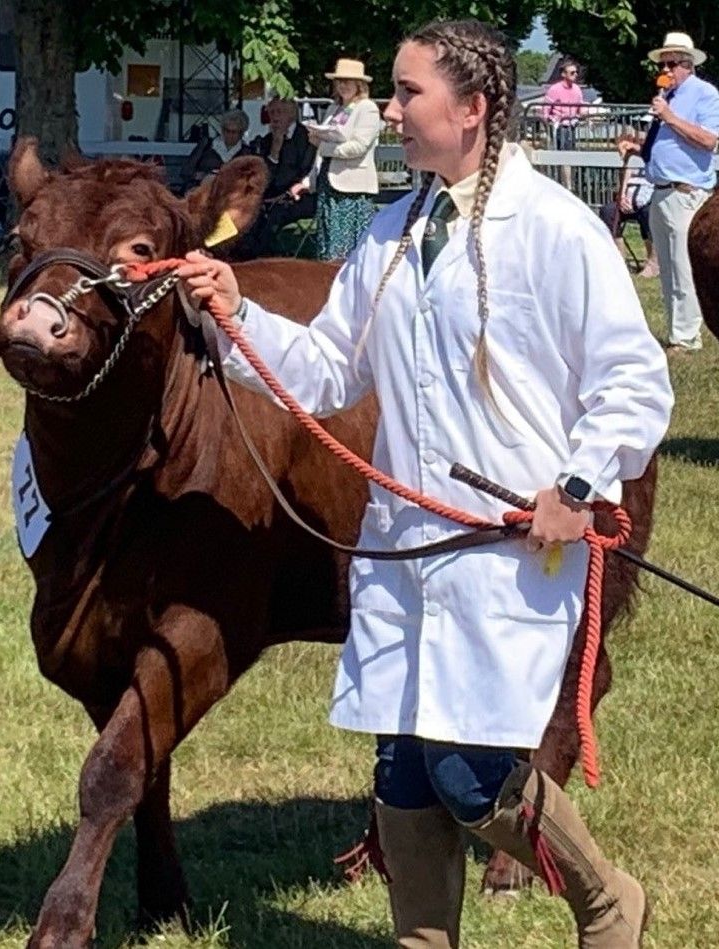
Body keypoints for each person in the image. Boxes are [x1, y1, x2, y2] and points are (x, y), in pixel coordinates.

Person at [176, 18, 672, 949]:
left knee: (471, 775)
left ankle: (607, 901)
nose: (392, 111)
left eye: (409, 94)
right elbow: (326, 370)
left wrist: (576, 482)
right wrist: (237, 312)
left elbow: (633, 382)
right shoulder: (393, 232)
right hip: (403, 547)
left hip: (507, 549)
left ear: (474, 107)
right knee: (403, 766)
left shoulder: (557, 231)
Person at [642, 30, 719, 354]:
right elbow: (665, 143)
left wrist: (670, 117)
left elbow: (708, 140)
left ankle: (687, 337)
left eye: (671, 64)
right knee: (668, 270)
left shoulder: (705, 94)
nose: (665, 72)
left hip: (686, 191)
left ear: (687, 65)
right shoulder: (669, 99)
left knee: (683, 268)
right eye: (662, 66)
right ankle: (677, 331)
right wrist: (638, 147)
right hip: (661, 190)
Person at [294, 57, 386, 260]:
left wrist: (324, 146)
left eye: (348, 81)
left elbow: (358, 147)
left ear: (359, 84)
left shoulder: (367, 108)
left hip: (351, 191)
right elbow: (323, 149)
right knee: (328, 245)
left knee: (349, 250)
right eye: (339, 81)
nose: (342, 85)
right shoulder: (333, 108)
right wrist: (309, 180)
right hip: (328, 186)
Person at [244, 97, 317, 256]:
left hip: (300, 195)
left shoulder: (307, 138)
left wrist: (287, 189)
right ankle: (249, 256)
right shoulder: (266, 140)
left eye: (279, 112)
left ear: (291, 114)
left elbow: (306, 170)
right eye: (272, 113)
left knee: (274, 215)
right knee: (250, 212)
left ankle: (264, 257)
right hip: (271, 195)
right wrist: (275, 150)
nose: (274, 117)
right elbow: (264, 176)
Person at [605, 130, 658, 277]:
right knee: (608, 211)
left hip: (647, 199)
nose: (639, 142)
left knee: (648, 214)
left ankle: (653, 262)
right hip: (628, 198)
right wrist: (621, 198)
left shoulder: (654, 157)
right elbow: (624, 180)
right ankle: (619, 259)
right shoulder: (631, 159)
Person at [542, 57, 585, 189]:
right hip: (558, 127)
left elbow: (581, 107)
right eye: (572, 72)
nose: (575, 75)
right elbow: (545, 109)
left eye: (576, 72)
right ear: (563, 74)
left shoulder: (577, 89)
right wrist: (549, 121)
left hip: (571, 125)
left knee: (569, 155)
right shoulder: (554, 89)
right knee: (560, 155)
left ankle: (569, 184)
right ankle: (564, 185)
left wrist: (582, 114)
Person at [181, 110, 250, 188]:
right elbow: (186, 171)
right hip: (205, 192)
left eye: (234, 132)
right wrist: (199, 176)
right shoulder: (206, 145)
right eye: (227, 130)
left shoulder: (246, 153)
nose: (229, 135)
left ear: (241, 133)